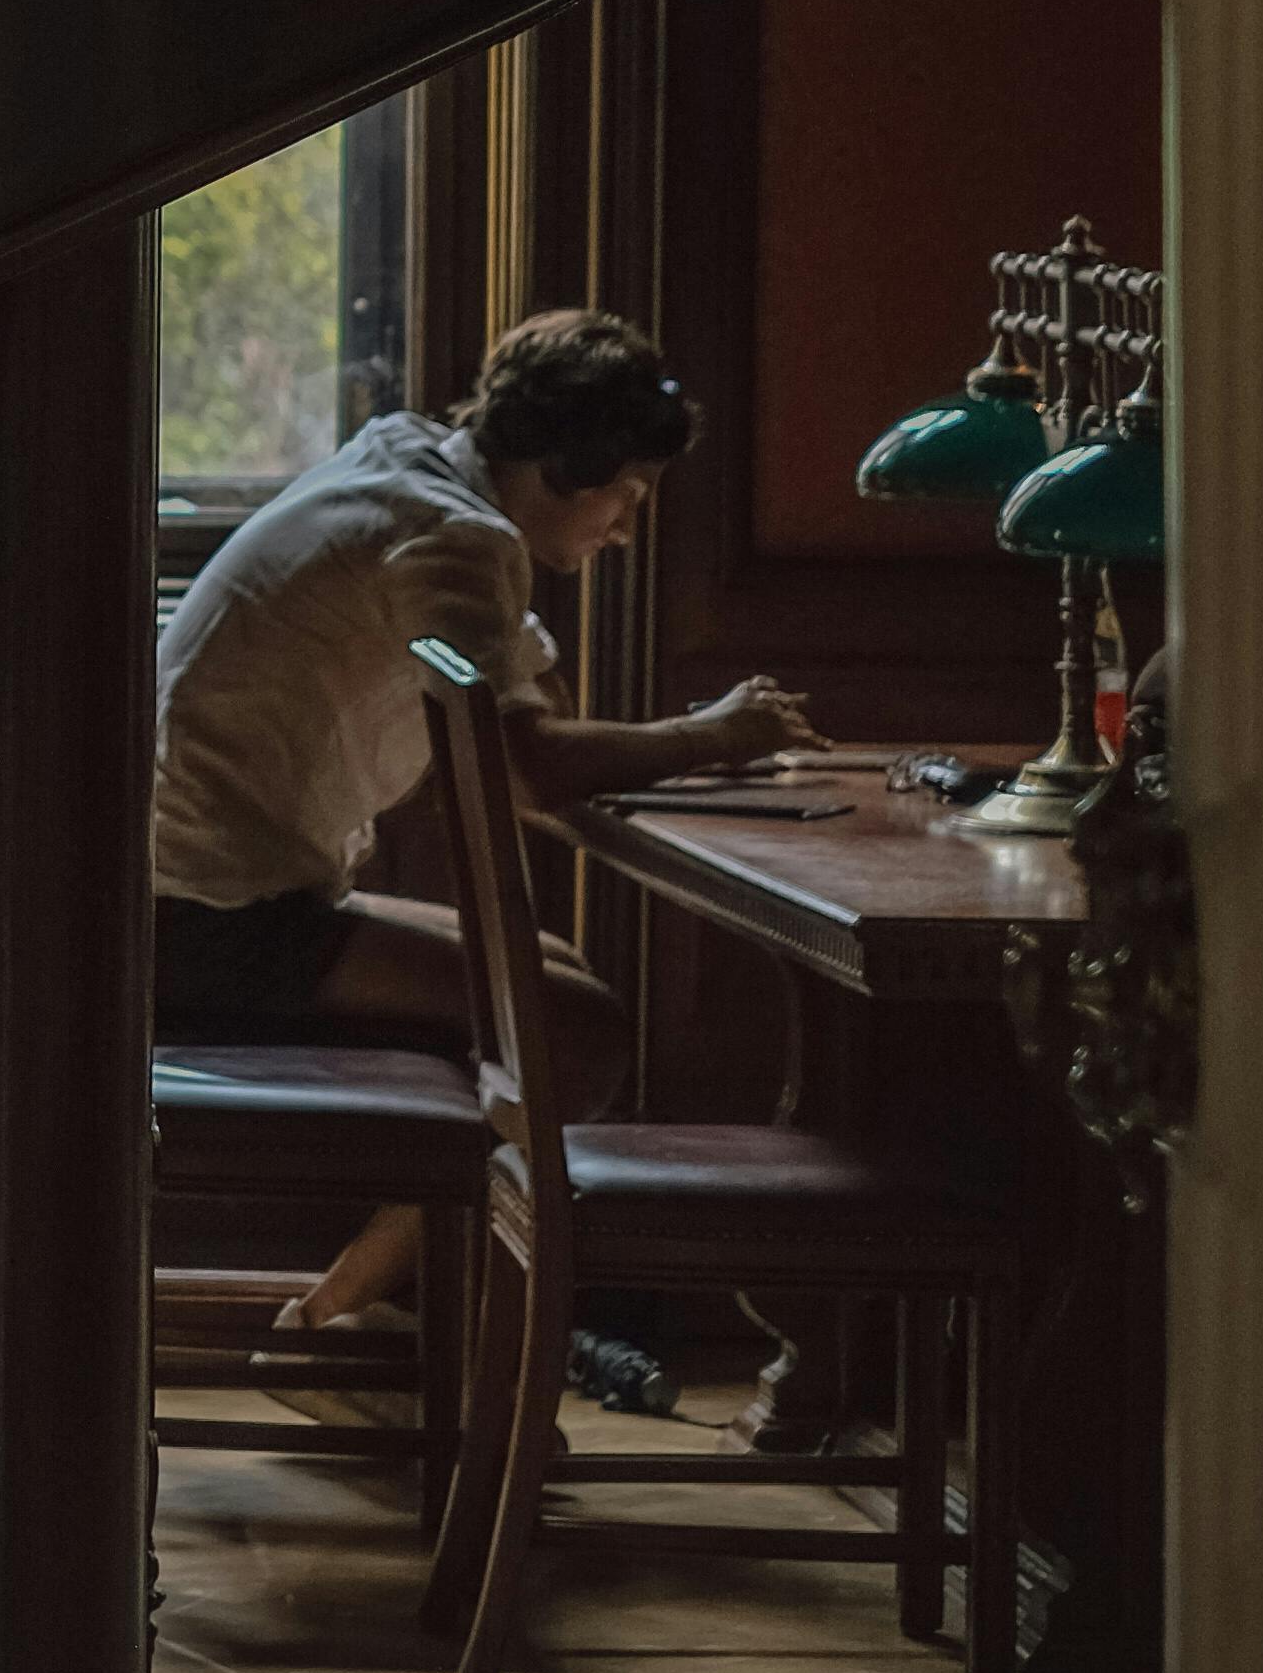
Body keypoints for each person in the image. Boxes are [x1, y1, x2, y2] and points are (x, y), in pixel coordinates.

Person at [152, 304, 820, 1346]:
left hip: (186, 896)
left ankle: (341, 1313)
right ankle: (370, 1324)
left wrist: (635, 741)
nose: (626, 527)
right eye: (625, 493)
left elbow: (519, 717)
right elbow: (531, 766)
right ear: (568, 466)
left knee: (554, 988)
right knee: (577, 1033)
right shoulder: (451, 536)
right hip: (206, 924)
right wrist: (710, 734)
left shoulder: (410, 467)